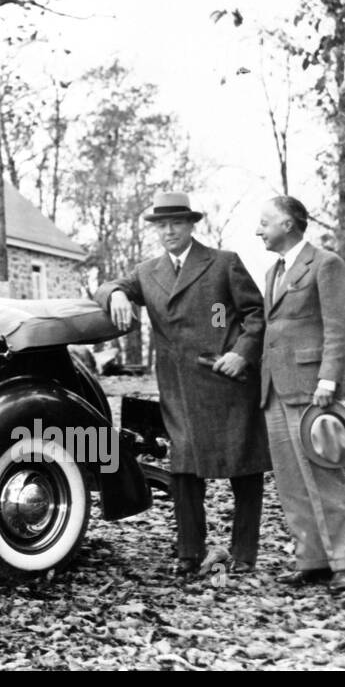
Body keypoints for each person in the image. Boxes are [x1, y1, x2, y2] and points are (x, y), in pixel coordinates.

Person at [95, 191, 269, 578]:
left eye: (176, 223)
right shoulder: (146, 272)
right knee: (184, 469)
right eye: (162, 225)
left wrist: (242, 352)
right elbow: (104, 287)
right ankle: (189, 552)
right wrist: (119, 294)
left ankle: (244, 553)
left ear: (192, 225)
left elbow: (255, 315)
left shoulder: (223, 263)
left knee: (244, 467)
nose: (169, 231)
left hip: (230, 382)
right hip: (181, 389)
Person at [255, 195, 345, 593]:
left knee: (323, 476)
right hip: (274, 391)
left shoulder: (326, 263)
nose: (258, 230)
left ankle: (343, 564)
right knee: (291, 481)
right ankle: (311, 560)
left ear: (289, 223)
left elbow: (340, 326)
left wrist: (328, 380)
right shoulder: (271, 273)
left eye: (265, 222)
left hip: (313, 390)